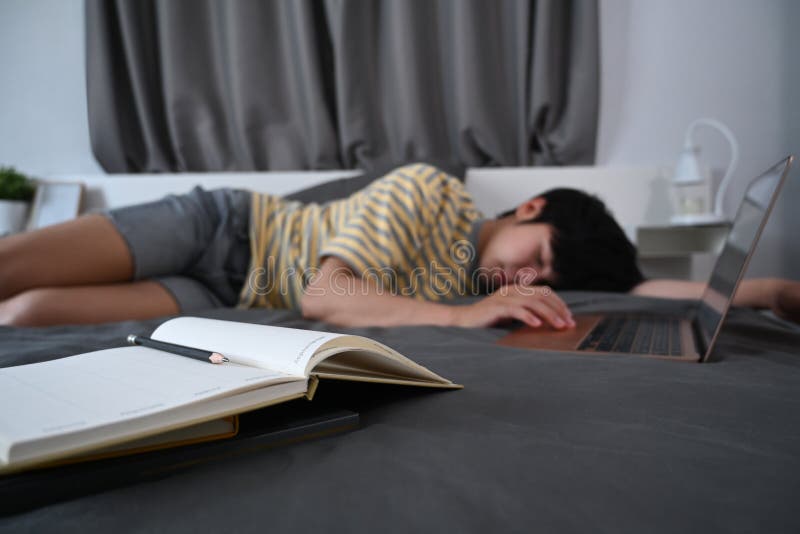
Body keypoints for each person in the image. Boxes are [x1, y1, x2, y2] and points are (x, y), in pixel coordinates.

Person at [0, 163, 797, 328]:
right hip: (225, 228)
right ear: (531, 205)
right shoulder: (430, 193)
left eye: (543, 278)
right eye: (540, 254)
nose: (526, 276)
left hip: (231, 295)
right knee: (11, 267)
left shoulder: (484, 277)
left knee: (28, 315)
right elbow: (323, 296)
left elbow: (626, 295)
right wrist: (459, 318)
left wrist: (764, 292)